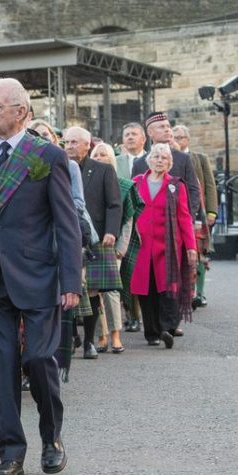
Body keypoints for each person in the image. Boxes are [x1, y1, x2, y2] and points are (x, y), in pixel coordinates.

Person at [0, 78, 81, 475]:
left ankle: (52, 437)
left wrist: (71, 282)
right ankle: (11, 452)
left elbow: (67, 223)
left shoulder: (47, 156)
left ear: (21, 112)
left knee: (40, 359)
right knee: (4, 366)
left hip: (39, 277)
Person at [127, 143, 197, 350]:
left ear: (170, 163)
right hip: (142, 245)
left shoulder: (176, 185)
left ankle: (167, 328)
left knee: (168, 288)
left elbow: (184, 218)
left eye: (164, 158)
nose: (160, 161)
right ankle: (152, 333)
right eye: (156, 157)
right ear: (149, 160)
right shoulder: (136, 182)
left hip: (168, 245)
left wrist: (191, 246)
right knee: (146, 290)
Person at [63, 126, 122, 360]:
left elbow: (114, 204)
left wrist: (111, 232)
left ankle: (89, 342)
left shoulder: (103, 169)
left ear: (87, 145)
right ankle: (72, 338)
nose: (69, 146)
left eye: (74, 142)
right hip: (66, 236)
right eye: (66, 142)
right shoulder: (57, 166)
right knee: (67, 291)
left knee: (92, 292)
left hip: (94, 237)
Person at [90, 142, 138, 353]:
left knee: (111, 292)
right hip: (92, 244)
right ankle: (103, 334)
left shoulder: (122, 184)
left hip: (113, 245)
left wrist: (121, 247)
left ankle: (116, 334)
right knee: (94, 292)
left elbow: (127, 219)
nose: (100, 157)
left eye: (104, 154)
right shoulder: (87, 181)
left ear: (112, 158)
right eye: (96, 154)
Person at [172, 124, 217, 308]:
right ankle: (185, 293)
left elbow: (210, 185)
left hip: (200, 212)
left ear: (187, 139)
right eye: (174, 137)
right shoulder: (168, 157)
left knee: (200, 253)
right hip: (179, 210)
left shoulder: (199, 158)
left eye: (180, 137)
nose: (177, 140)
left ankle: (200, 293)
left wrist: (212, 211)